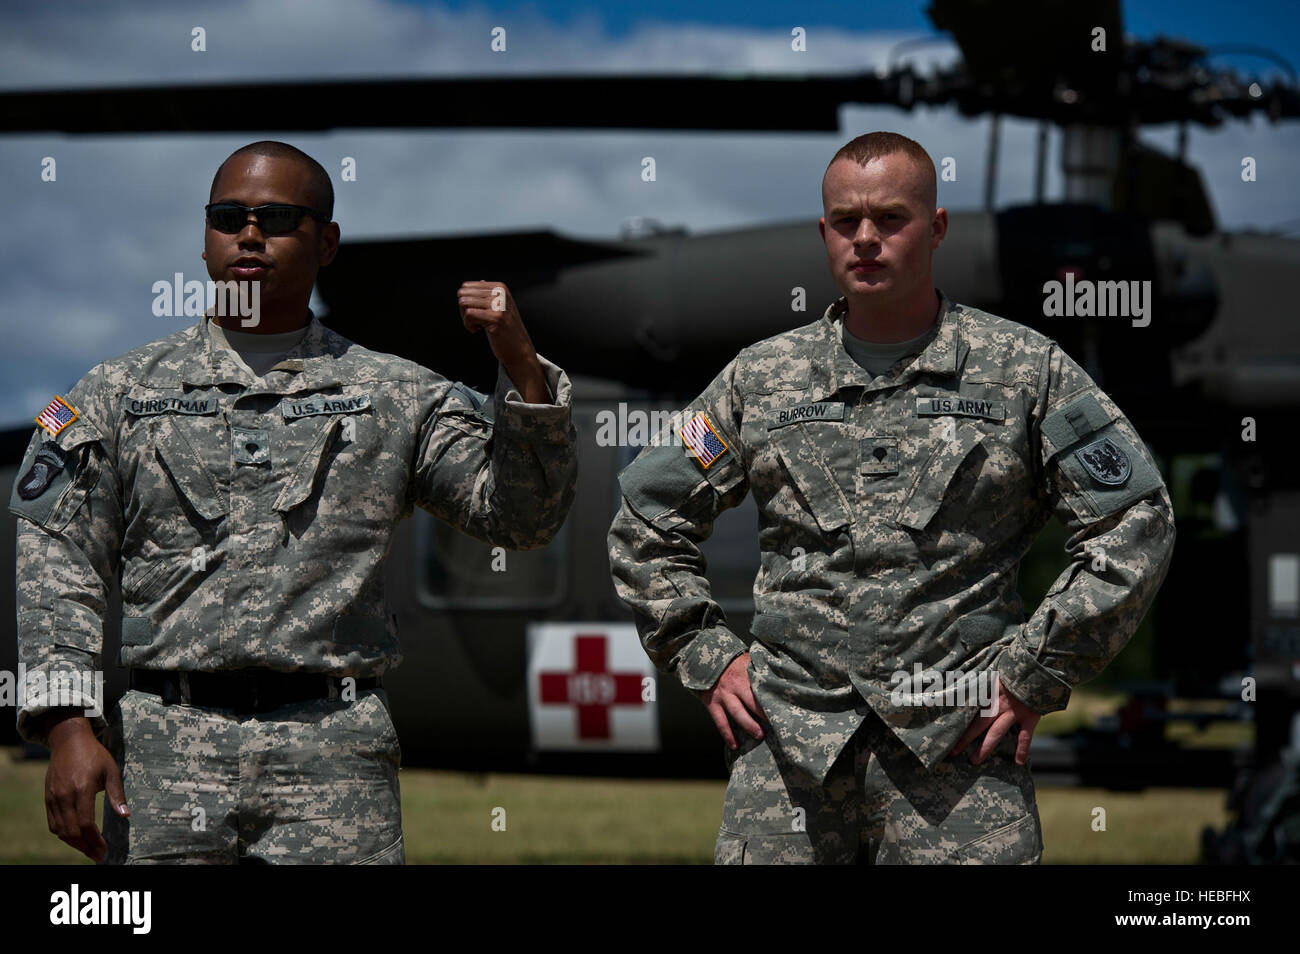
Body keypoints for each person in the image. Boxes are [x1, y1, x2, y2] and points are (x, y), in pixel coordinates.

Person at [607, 131, 1176, 864]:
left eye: (891, 218)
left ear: (936, 228)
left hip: (961, 760)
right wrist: (707, 653)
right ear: (824, 232)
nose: (867, 238)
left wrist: (1035, 671)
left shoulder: (1025, 371)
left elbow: (1136, 519)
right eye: (847, 221)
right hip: (788, 761)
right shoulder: (759, 378)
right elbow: (647, 517)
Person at [10, 140, 578, 864]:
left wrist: (523, 372)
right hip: (164, 758)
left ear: (327, 242)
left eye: (277, 218)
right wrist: (67, 725)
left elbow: (521, 520)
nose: (249, 235)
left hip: (335, 759)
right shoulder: (116, 394)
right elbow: (58, 562)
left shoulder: (396, 395)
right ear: (205, 238)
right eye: (228, 218)